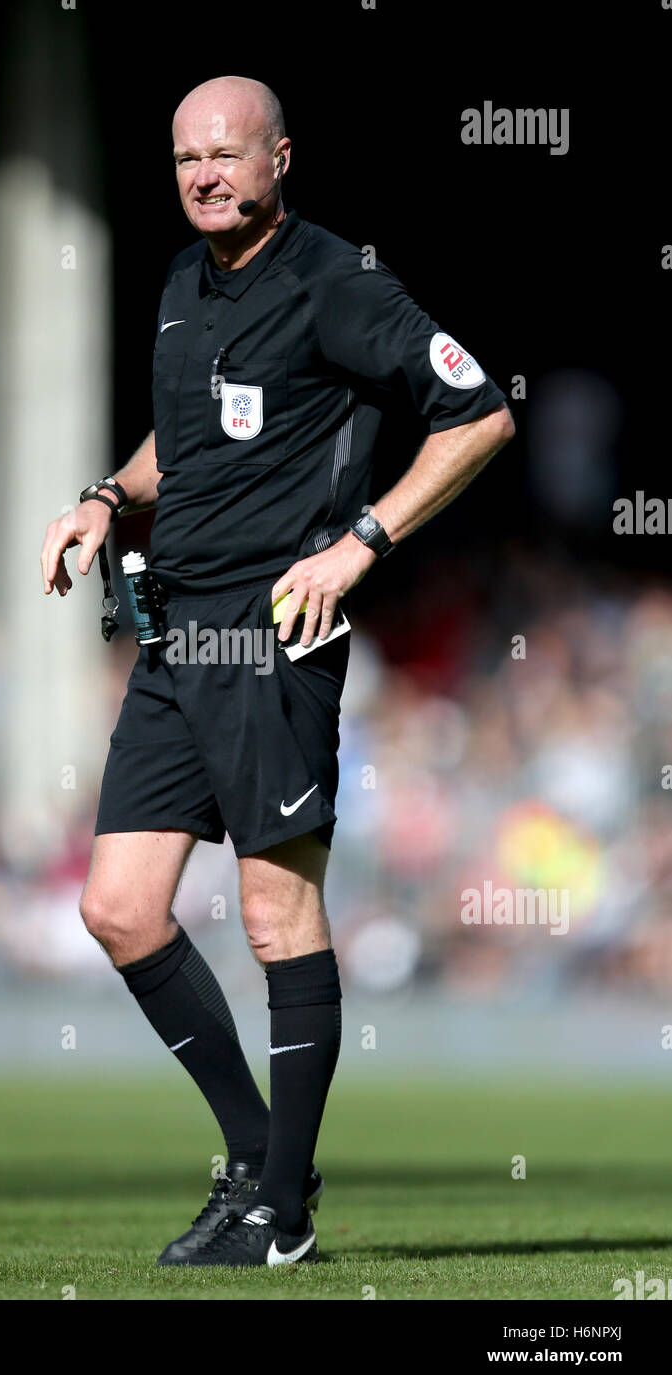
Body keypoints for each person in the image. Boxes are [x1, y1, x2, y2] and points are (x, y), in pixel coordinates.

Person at [40, 75, 514, 1268]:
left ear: (279, 157)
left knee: (271, 912)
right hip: (176, 633)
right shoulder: (180, 283)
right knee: (116, 908)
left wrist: (360, 545)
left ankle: (280, 1215)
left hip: (274, 632)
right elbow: (184, 435)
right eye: (185, 158)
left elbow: (478, 414)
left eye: (225, 154)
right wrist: (106, 496)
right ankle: (260, 1164)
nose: (204, 174)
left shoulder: (335, 283)